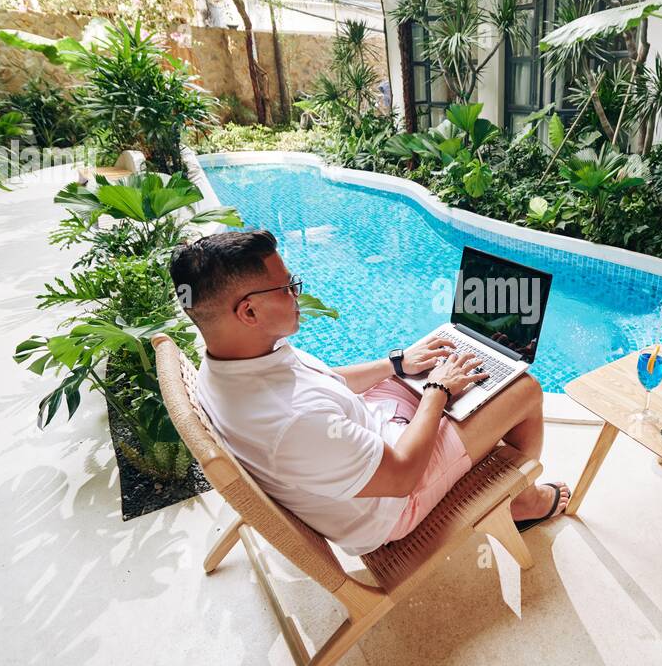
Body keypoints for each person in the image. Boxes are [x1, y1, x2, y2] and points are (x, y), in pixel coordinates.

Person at [168, 230, 569, 556]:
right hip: (391, 503)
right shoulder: (293, 423)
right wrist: (436, 391)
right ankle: (523, 501)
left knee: (448, 366)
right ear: (249, 312)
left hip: (363, 439)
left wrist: (398, 365)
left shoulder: (229, 360)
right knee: (525, 389)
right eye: (287, 287)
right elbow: (402, 477)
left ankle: (465, 406)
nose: (296, 294)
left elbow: (325, 383)